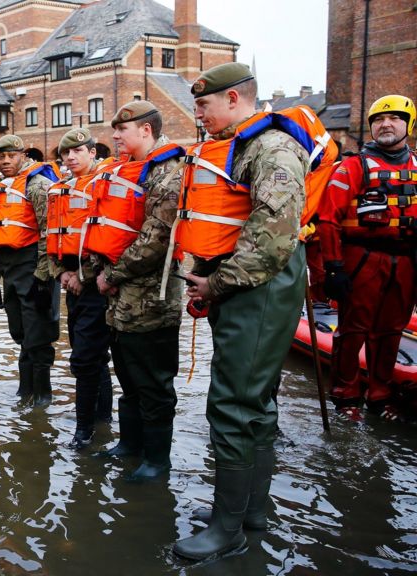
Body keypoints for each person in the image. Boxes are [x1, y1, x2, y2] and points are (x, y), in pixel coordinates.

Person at [173, 62, 311, 560]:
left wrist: (214, 284)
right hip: (251, 284)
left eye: (205, 104)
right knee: (256, 401)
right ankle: (250, 511)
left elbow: (273, 239)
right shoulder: (242, 145)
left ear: (235, 100)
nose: (198, 113)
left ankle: (226, 529)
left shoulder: (269, 146)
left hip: (257, 286)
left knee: (232, 404)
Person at [84, 102, 184, 482]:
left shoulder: (168, 174)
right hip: (122, 300)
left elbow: (156, 240)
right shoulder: (131, 171)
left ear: (146, 131)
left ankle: (157, 461)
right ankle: (130, 444)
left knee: (154, 382)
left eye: (121, 130)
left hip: (152, 298)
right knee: (127, 376)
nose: (115, 137)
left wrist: (113, 274)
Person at [318, 94, 417, 422]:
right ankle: (346, 396)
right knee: (353, 330)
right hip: (361, 260)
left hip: (405, 262)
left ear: (409, 124)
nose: (385, 124)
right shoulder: (352, 167)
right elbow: (329, 219)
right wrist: (333, 267)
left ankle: (380, 395)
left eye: (394, 118)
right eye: (377, 119)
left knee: (391, 330)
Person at [45, 128, 114, 450]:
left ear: (91, 152)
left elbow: (109, 240)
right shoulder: (61, 190)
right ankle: (102, 419)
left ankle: (85, 430)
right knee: (90, 357)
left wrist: (81, 276)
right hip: (72, 283)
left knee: (87, 358)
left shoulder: (106, 184)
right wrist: (62, 272)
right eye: (65, 154)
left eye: (77, 151)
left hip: (95, 284)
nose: (71, 158)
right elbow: (55, 239)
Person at [0, 135, 60, 406]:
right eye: (0, 157)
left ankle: (42, 394)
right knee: (21, 332)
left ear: (23, 155)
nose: (5, 162)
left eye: (11, 156)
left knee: (38, 333)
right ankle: (25, 389)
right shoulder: (0, 188)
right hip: (8, 267)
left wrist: (43, 276)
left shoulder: (37, 186)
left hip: (32, 268)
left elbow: (48, 232)